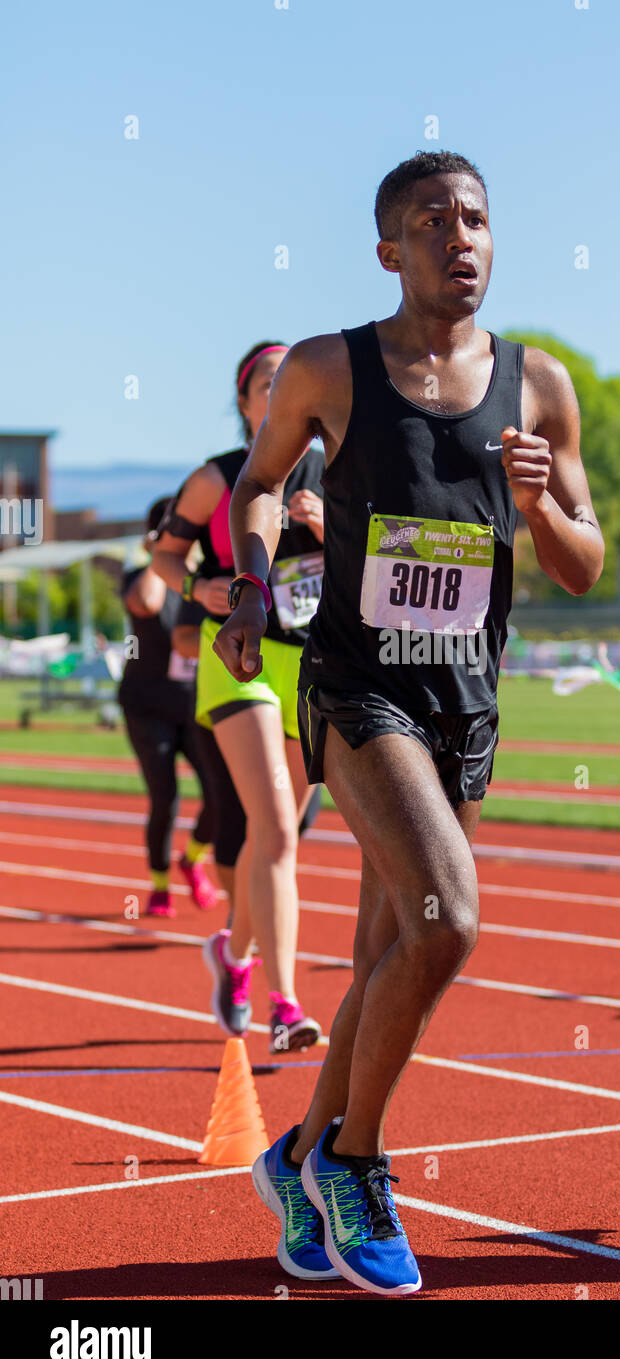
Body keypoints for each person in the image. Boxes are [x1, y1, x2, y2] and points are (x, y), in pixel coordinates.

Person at [217, 152, 604, 1295]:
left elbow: (582, 566)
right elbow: (253, 486)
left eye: (476, 218)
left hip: (465, 700)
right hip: (355, 683)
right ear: (389, 250)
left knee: (390, 951)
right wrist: (248, 584)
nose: (461, 236)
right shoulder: (332, 368)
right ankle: (355, 1159)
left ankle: (295, 1152)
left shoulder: (540, 385)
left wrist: (539, 506)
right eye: (434, 221)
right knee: (447, 921)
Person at [152, 343, 326, 1051]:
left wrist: (330, 526)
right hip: (241, 657)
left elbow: (386, 558)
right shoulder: (218, 477)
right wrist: (197, 586)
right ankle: (286, 1004)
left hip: (315, 665)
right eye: (266, 381)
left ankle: (233, 953)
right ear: (246, 401)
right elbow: (164, 556)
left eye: (293, 380)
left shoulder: (338, 471)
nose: (281, 390)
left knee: (271, 836)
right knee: (277, 831)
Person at [118, 498, 221, 918]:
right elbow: (147, 603)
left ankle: (193, 859)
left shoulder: (205, 583)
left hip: (195, 704)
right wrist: (158, 559)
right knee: (166, 796)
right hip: (146, 705)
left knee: (220, 793)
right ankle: (159, 885)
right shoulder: (139, 578)